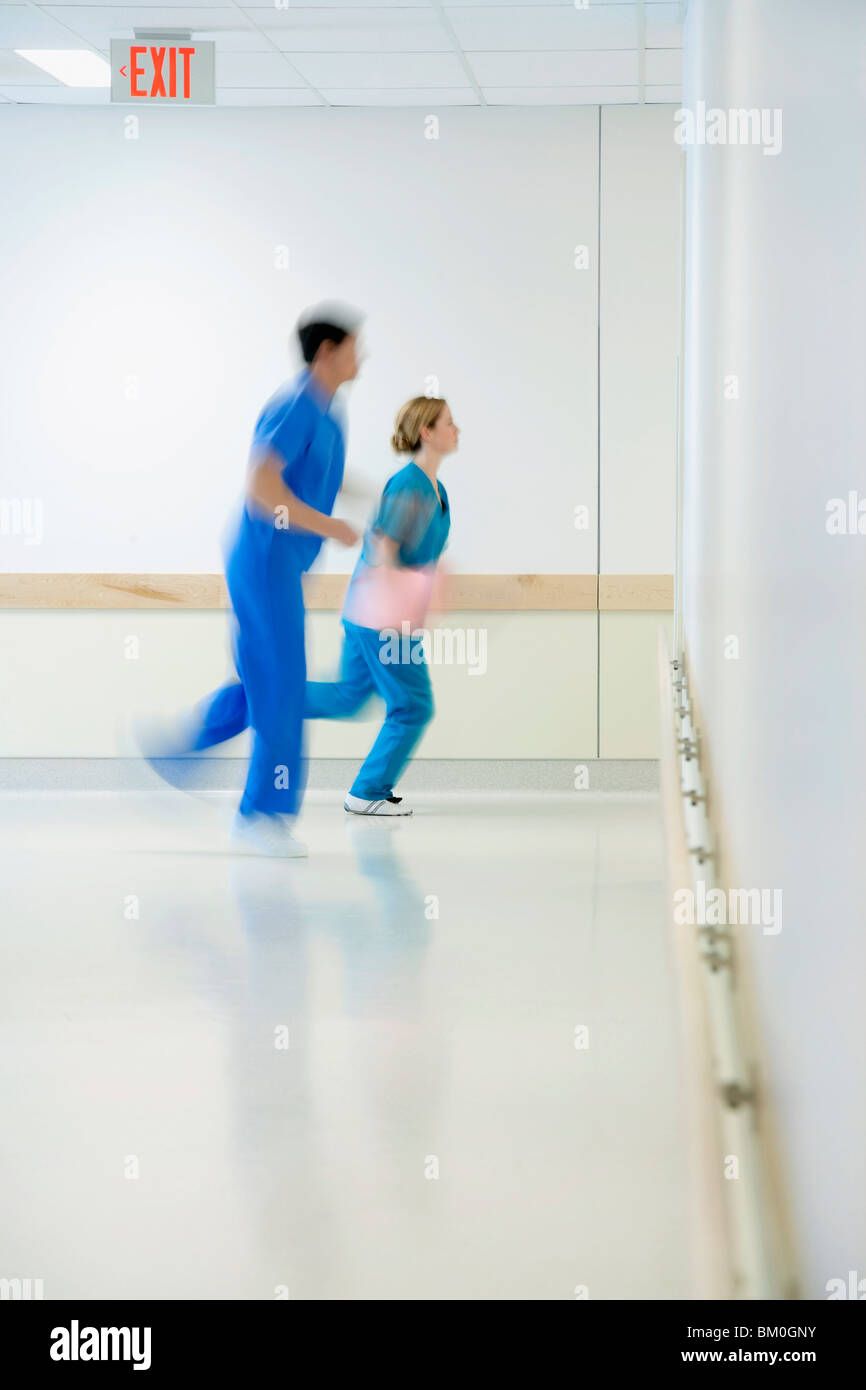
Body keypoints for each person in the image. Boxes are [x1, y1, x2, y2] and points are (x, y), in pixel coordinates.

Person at [140, 303, 363, 856]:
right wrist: (330, 526)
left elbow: (322, 475)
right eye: (355, 345)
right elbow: (263, 491)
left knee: (258, 681)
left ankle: (174, 754)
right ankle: (261, 814)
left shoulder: (329, 415)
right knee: (282, 683)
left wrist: (380, 497)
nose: (363, 355)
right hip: (264, 559)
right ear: (328, 352)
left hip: (279, 563)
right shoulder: (293, 404)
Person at [305, 395, 459, 815]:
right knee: (413, 706)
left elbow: (420, 554)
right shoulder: (408, 483)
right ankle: (368, 792)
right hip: (382, 617)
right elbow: (383, 545)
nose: (456, 429)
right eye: (449, 422)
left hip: (369, 613)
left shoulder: (436, 489)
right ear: (427, 432)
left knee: (348, 696)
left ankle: (266, 695)